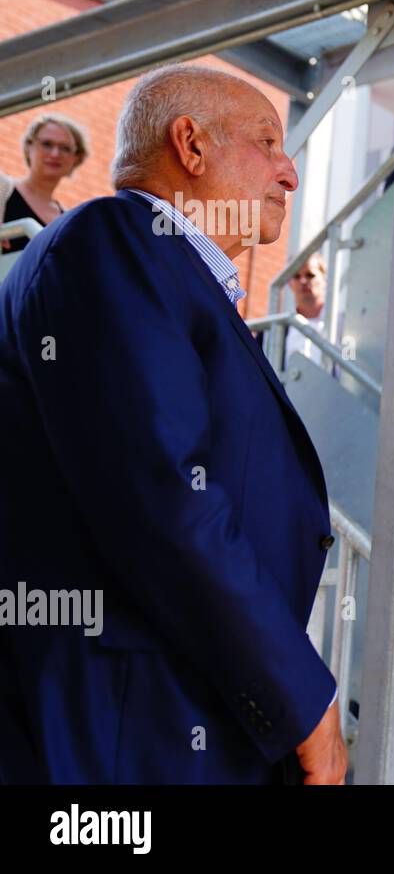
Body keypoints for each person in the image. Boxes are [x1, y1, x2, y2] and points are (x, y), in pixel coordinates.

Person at [0, 64, 346, 784]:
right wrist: (301, 698)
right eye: (267, 143)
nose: (289, 174)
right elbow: (163, 493)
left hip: (164, 718)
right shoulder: (116, 239)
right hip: (123, 729)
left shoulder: (167, 273)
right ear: (190, 144)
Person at [1, 114, 88, 253]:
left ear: (76, 157)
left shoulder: (70, 221)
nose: (55, 154)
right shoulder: (3, 191)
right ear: (29, 147)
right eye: (47, 144)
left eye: (65, 148)